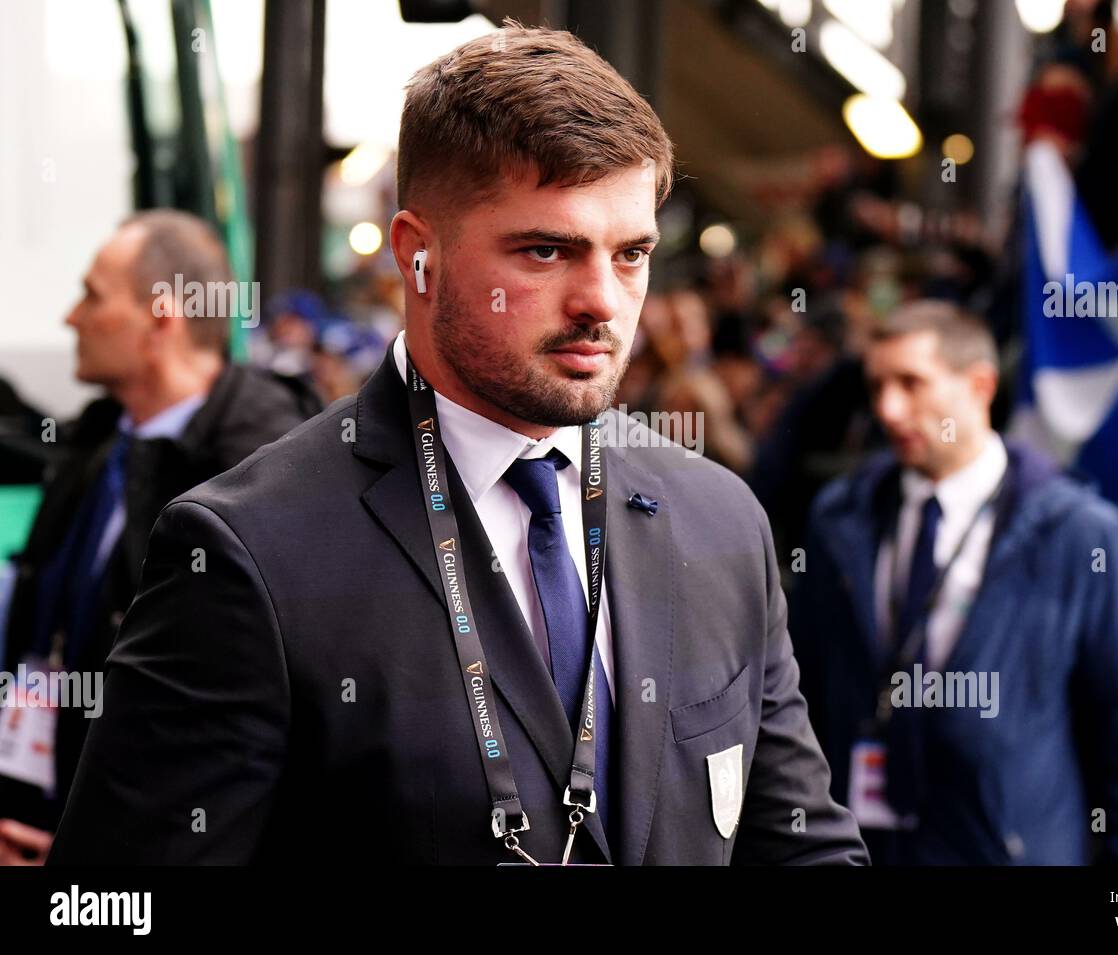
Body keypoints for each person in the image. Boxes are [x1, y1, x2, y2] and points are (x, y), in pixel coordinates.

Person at [49, 24, 866, 866]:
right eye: (547, 250)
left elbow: (803, 847)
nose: (603, 300)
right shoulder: (251, 553)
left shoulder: (719, 521)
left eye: (632, 254)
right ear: (417, 256)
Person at [789, 300, 1118, 865]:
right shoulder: (840, 519)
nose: (888, 409)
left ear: (979, 386)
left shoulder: (1079, 533)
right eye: (877, 386)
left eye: (911, 383)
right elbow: (802, 698)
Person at [0, 210, 320, 864]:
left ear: (161, 318)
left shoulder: (263, 472)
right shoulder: (103, 435)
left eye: (93, 295)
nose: (72, 318)